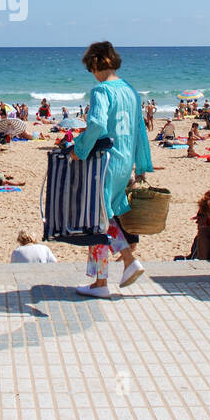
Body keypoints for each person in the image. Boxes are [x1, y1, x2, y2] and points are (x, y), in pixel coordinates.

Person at [72, 41, 152, 298]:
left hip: (105, 161)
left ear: (96, 63)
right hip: (124, 161)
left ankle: (126, 262)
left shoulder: (101, 91)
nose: (91, 74)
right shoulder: (130, 90)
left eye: (90, 68)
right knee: (104, 218)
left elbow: (95, 123)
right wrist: (140, 165)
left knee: (99, 219)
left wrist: (80, 149)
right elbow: (140, 129)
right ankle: (100, 281)